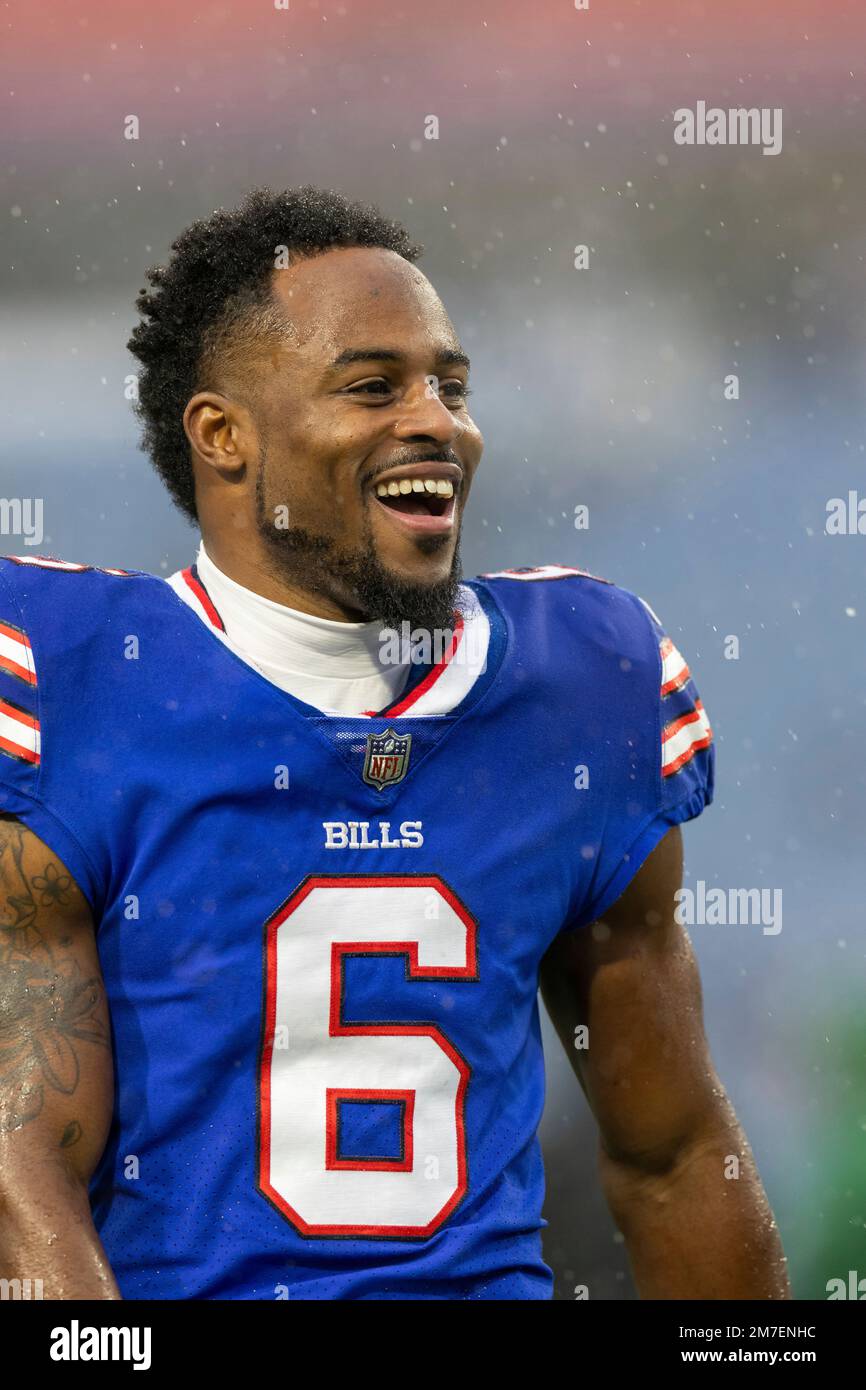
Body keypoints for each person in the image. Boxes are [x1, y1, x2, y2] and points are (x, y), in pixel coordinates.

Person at [0, 186, 788, 1300]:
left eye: (449, 385)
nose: (438, 422)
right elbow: (20, 1162)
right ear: (222, 434)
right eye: (374, 387)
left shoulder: (583, 680)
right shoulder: (76, 680)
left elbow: (668, 1153)